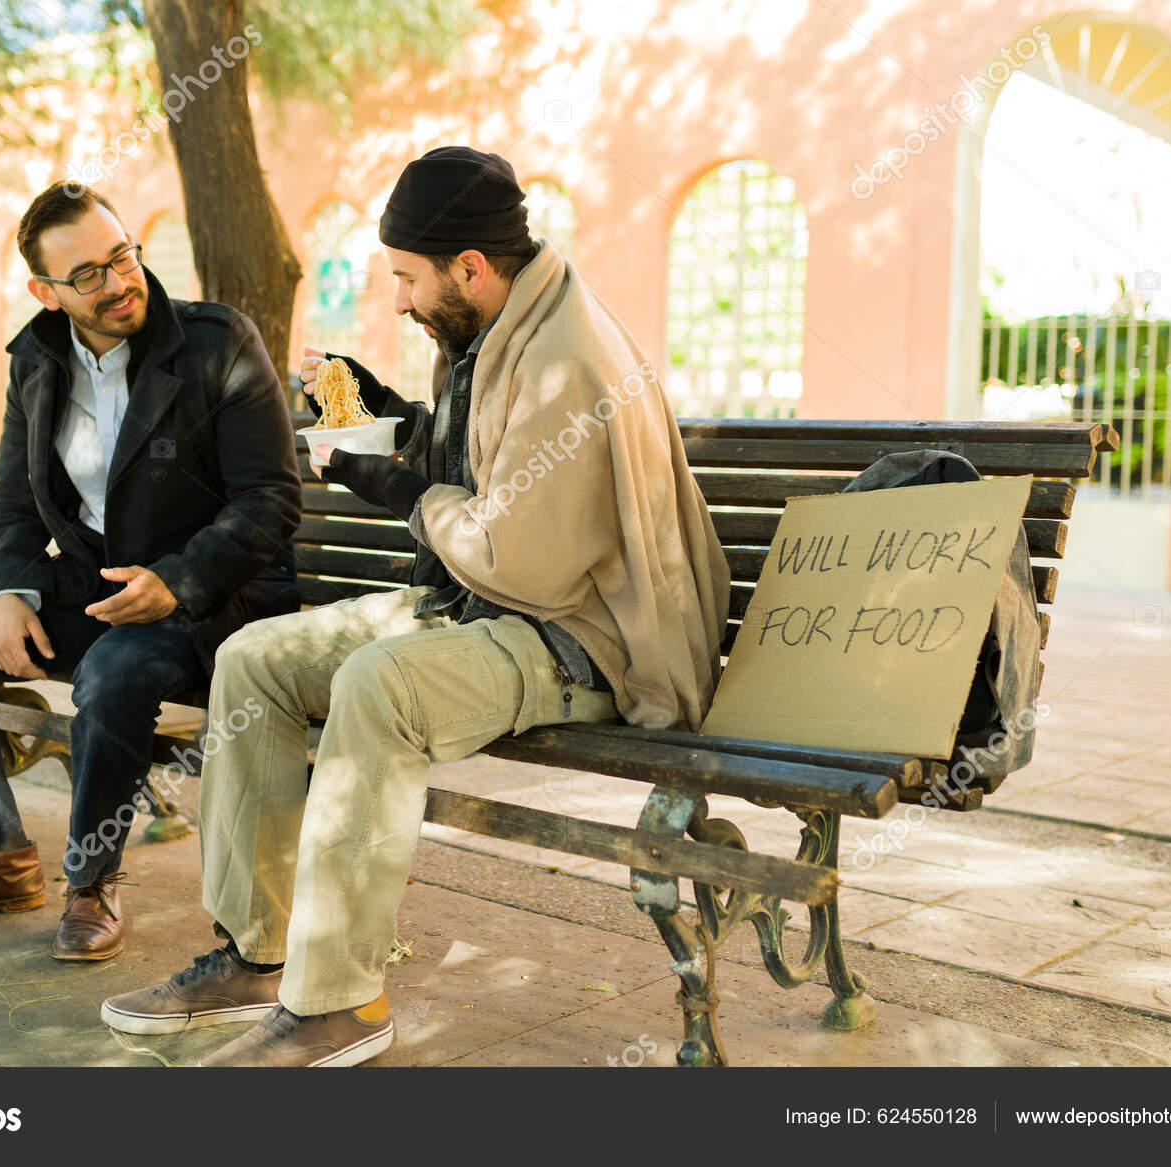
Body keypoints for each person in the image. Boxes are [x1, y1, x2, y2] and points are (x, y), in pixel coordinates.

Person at [101, 146, 730, 1064]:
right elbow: (478, 459)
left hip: (582, 639)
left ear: (469, 266)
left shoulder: (568, 359)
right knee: (253, 660)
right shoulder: (495, 326)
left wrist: (395, 488)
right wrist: (381, 405)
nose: (397, 300)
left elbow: (521, 561)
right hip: (483, 606)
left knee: (379, 685)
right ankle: (260, 956)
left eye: (406, 277)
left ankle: (339, 1001)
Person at [0, 184, 303, 961]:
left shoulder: (215, 343)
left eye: (122, 256)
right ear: (45, 291)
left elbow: (269, 499)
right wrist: (6, 592)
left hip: (212, 602)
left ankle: (92, 882)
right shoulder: (36, 364)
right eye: (87, 275)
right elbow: (11, 503)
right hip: (98, 589)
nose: (118, 283)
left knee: (113, 672)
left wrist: (175, 581)